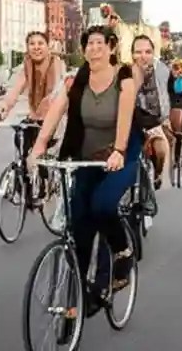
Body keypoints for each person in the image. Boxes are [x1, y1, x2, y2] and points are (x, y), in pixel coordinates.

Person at [30, 25, 140, 311]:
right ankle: (74, 305)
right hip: (87, 156)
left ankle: (123, 253)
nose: (93, 48)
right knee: (80, 227)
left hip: (121, 154)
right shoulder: (76, 79)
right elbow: (56, 111)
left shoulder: (124, 77)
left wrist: (119, 149)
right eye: (88, 44)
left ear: (111, 47)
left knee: (102, 206)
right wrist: (38, 148)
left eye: (99, 43)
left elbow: (126, 115)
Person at [0, 31, 67, 206]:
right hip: (35, 117)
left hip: (54, 119)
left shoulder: (57, 64)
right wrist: (3, 111)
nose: (36, 47)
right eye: (32, 44)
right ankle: (23, 186)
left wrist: (47, 105)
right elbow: (15, 90)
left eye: (40, 43)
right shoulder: (27, 66)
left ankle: (43, 185)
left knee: (41, 150)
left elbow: (58, 90)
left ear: (48, 47)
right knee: (22, 144)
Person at [130, 35, 172, 193]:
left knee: (161, 150)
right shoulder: (125, 73)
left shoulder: (162, 72)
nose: (143, 56)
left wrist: (166, 118)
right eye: (138, 52)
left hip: (153, 122)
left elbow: (168, 96)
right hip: (131, 123)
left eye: (147, 52)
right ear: (131, 54)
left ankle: (157, 175)